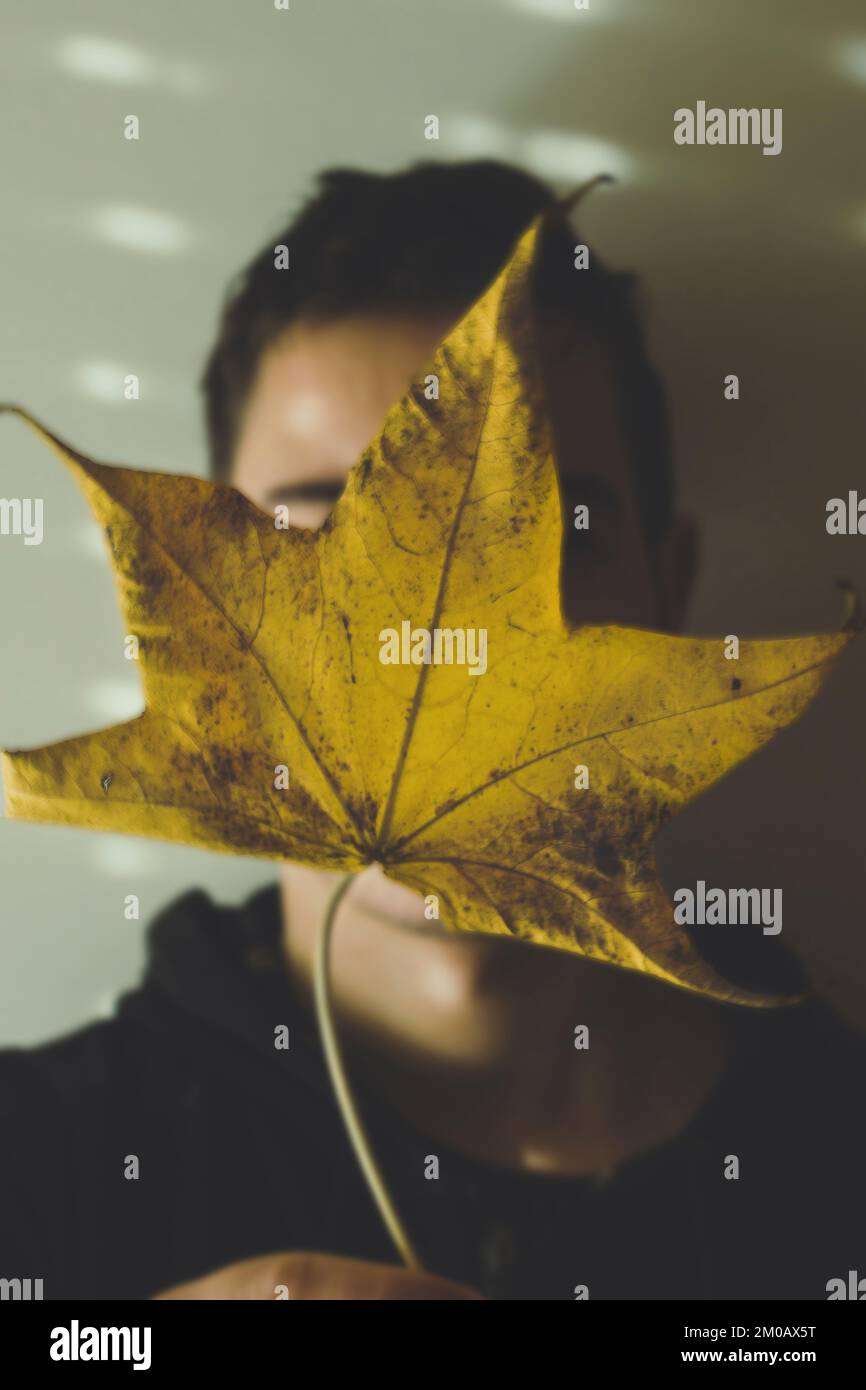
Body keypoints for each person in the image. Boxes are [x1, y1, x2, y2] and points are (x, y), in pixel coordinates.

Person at [1, 160, 863, 1302]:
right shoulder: (39, 1174)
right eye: (316, 538)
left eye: (548, 534)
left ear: (673, 582)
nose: (425, 637)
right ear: (197, 620)